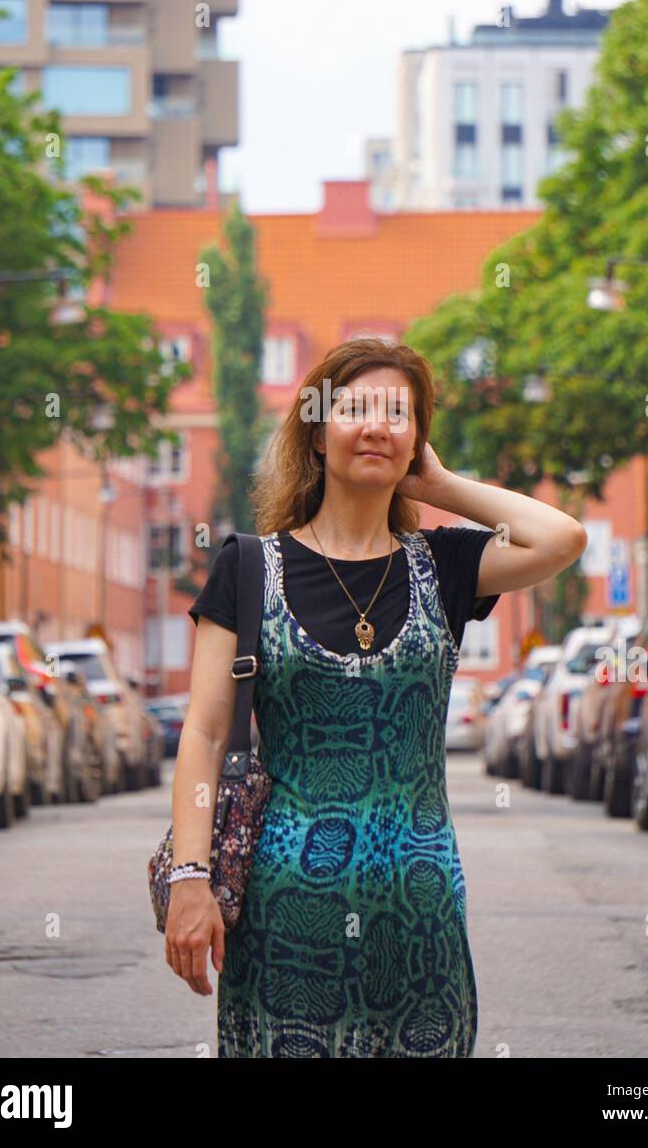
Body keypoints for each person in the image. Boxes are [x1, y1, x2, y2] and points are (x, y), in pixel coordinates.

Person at [165, 337, 586, 1058]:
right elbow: (203, 736)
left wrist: (442, 487)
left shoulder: (447, 567)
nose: (377, 426)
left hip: (420, 912)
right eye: (355, 408)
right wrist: (190, 878)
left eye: (399, 413)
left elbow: (562, 537)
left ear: (417, 439)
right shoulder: (248, 568)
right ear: (317, 434)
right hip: (284, 911)